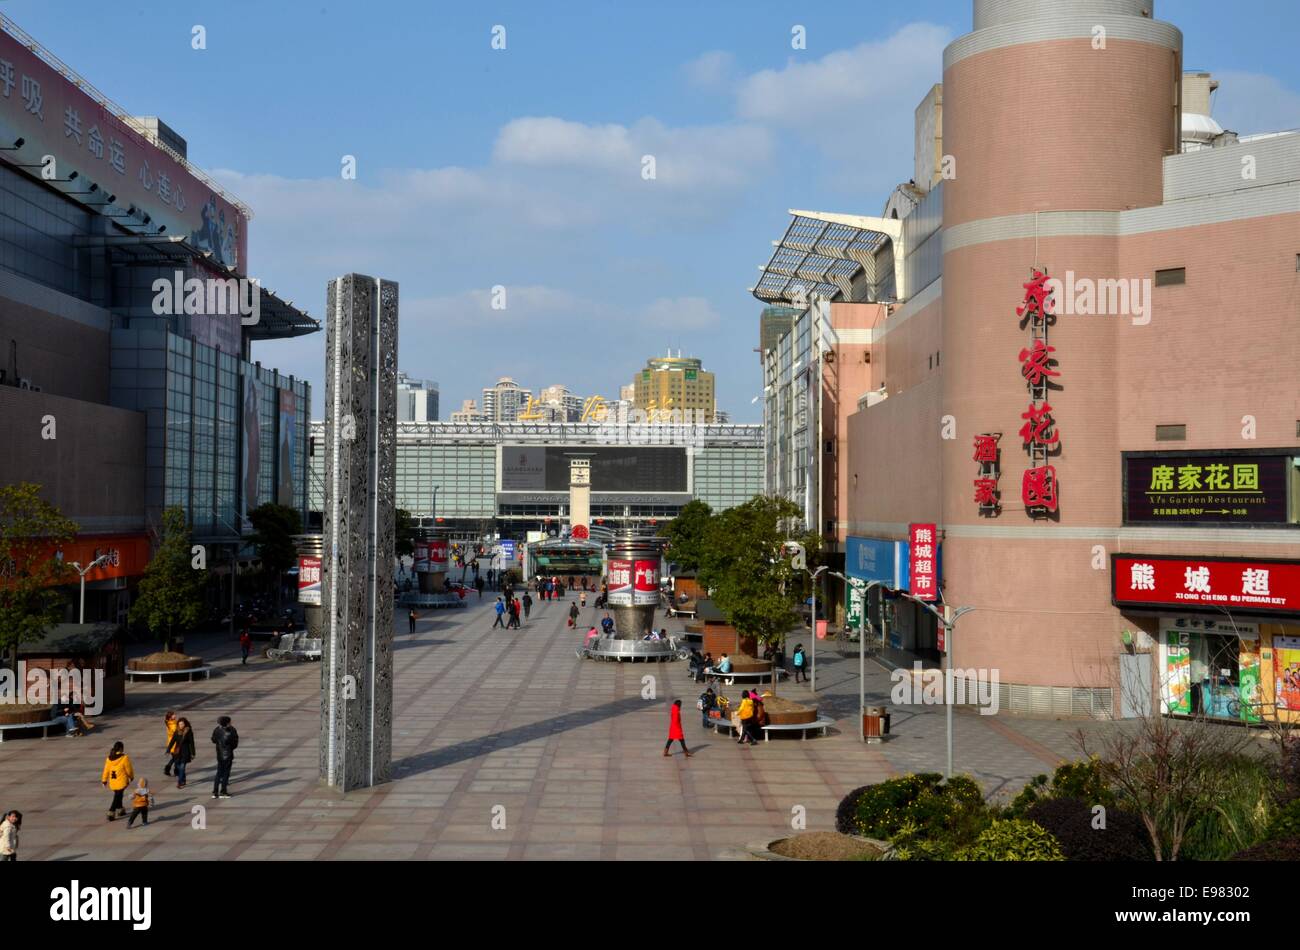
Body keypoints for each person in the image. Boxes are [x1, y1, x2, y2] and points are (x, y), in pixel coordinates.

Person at [101, 741, 134, 820]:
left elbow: (106, 769)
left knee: (119, 795)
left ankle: (120, 809)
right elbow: (128, 769)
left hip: (113, 781)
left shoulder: (109, 758)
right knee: (117, 796)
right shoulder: (124, 758)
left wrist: (104, 780)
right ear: (121, 748)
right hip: (121, 780)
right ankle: (111, 812)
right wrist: (131, 776)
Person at [211, 716, 238, 800]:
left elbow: (213, 739)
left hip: (219, 754)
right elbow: (235, 743)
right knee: (226, 773)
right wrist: (230, 748)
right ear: (227, 723)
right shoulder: (231, 730)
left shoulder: (217, 729)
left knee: (219, 773)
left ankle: (215, 792)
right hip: (228, 755)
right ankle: (223, 791)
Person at [168, 717, 196, 788]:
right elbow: (172, 741)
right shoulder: (177, 731)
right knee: (178, 766)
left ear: (185, 724)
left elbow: (191, 743)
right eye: (180, 724)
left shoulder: (188, 731)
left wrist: (193, 753)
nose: (181, 725)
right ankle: (183, 779)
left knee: (182, 767)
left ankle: (179, 782)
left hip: (185, 752)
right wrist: (168, 749)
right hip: (177, 752)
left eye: (182, 724)